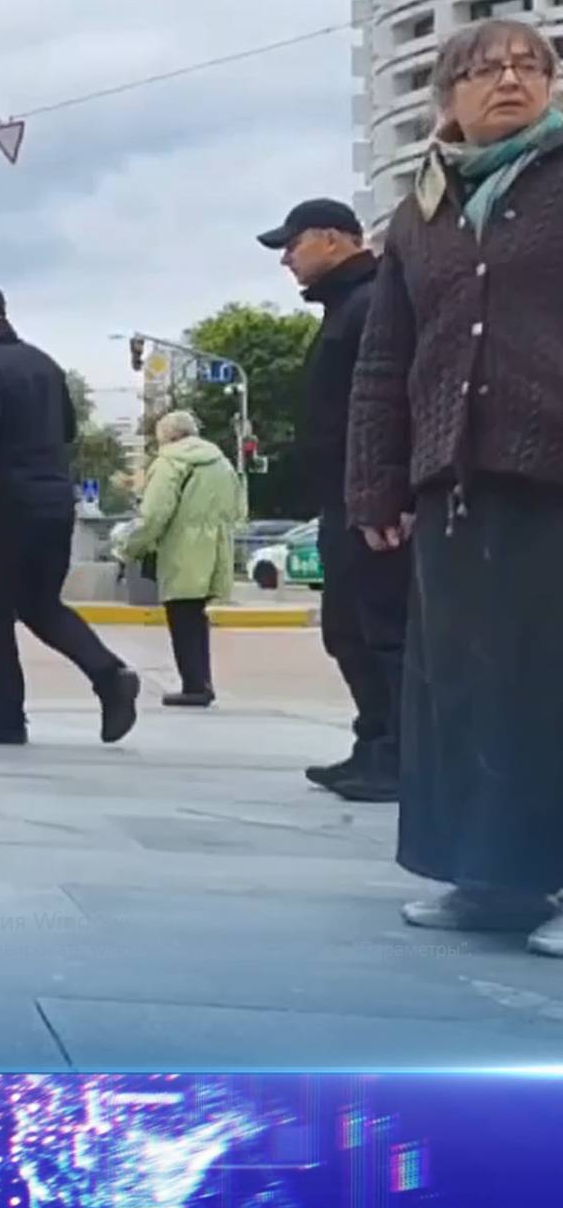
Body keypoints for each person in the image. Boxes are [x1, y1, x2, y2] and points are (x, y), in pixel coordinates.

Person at [346, 18, 563, 954]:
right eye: (484, 70)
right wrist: (375, 482)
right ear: (448, 101)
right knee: (469, 686)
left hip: (552, 466)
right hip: (453, 476)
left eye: (529, 66)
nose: (509, 79)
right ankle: (491, 879)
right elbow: (384, 355)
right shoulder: (419, 213)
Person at [0, 280, 140, 746]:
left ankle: (3, 716)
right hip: (53, 504)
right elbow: (68, 430)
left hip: (2, 508)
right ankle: (109, 675)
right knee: (39, 603)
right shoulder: (44, 364)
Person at [260, 197, 402, 801]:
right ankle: (373, 745)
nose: (286, 259)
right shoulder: (347, 306)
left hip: (368, 498)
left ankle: (398, 757)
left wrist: (387, 492)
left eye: (293, 244)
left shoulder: (373, 302)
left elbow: (389, 403)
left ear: (334, 239)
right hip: (343, 496)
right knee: (347, 629)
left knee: (380, 631)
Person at [116, 410, 240, 709]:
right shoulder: (222, 462)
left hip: (182, 549)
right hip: (216, 548)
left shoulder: (169, 463)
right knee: (196, 616)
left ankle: (194, 686)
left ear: (166, 436)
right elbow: (239, 508)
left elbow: (154, 515)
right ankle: (201, 682)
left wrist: (128, 547)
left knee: (182, 616)